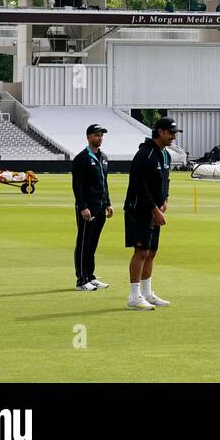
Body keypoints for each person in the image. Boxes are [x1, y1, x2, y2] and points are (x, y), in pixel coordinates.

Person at [123, 117, 178, 311]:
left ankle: (147, 293)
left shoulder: (165, 155)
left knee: (152, 251)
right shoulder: (145, 154)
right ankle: (133, 296)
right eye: (171, 133)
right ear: (160, 132)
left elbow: (166, 181)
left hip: (155, 209)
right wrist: (154, 209)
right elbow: (140, 186)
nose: (173, 136)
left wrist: (165, 201)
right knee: (141, 251)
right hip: (139, 209)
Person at [71, 124, 113, 291]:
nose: (100, 138)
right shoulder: (81, 158)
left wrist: (108, 203)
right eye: (96, 135)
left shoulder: (103, 157)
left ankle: (90, 276)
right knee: (83, 242)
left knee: (93, 242)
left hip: (100, 206)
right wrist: (83, 206)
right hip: (87, 207)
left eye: (101, 135)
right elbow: (77, 185)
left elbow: (104, 182)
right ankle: (81, 280)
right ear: (88, 137)